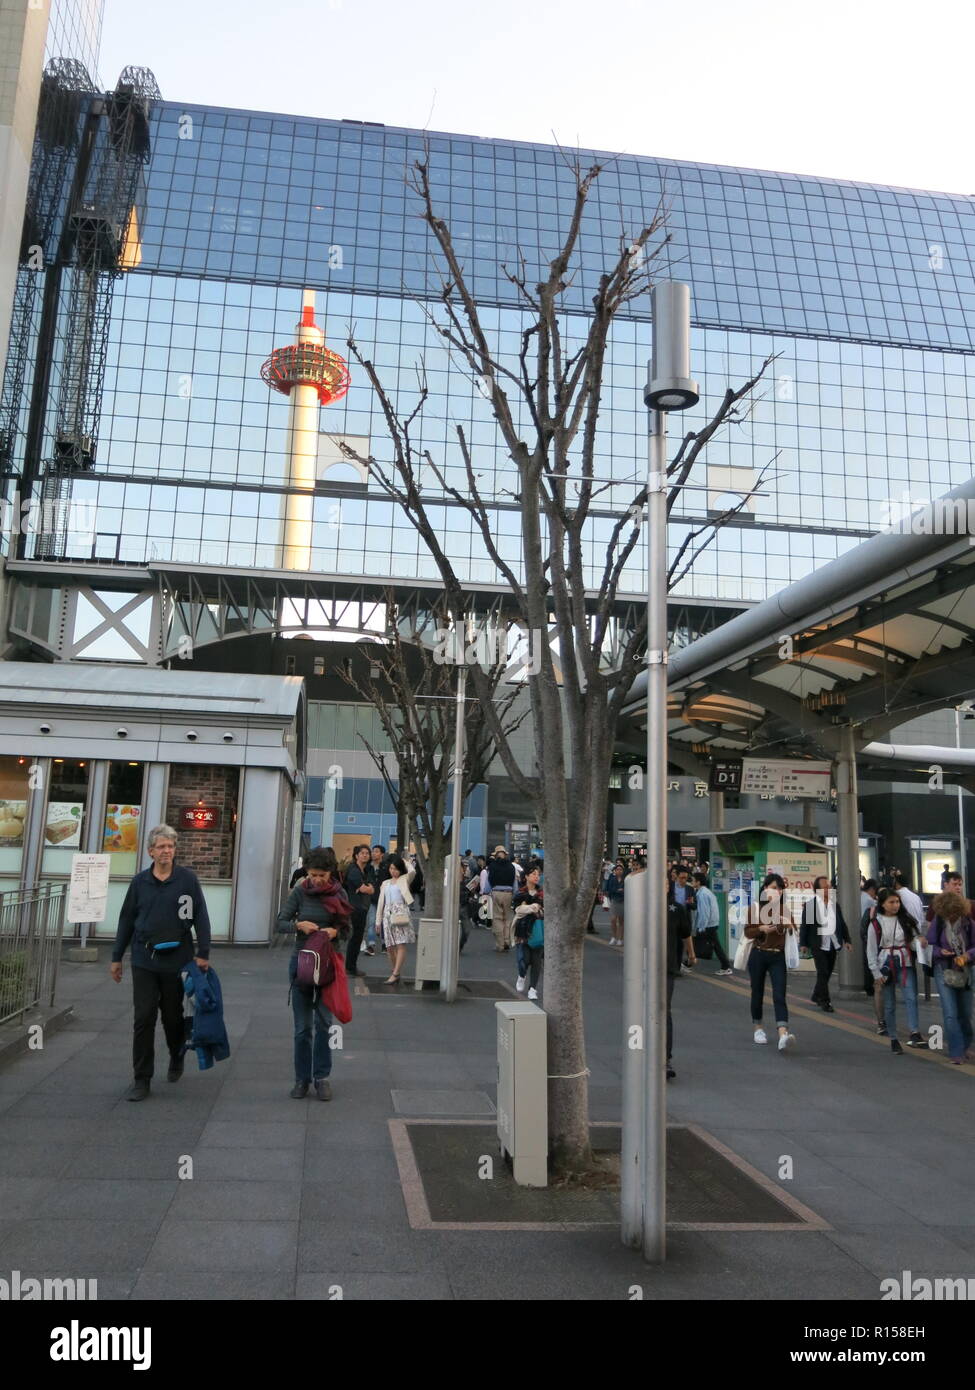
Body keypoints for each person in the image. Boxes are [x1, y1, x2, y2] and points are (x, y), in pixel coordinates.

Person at [110, 824, 212, 1102]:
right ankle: (141, 1079)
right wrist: (116, 957)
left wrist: (203, 951)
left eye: (171, 847)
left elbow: (200, 916)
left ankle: (176, 1053)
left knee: (172, 1016)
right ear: (150, 851)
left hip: (177, 959)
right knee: (143, 1018)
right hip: (144, 958)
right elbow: (126, 919)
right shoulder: (139, 883)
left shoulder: (186, 880)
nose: (167, 851)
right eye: (161, 847)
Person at [277, 846, 351, 1098]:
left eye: (322, 875)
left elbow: (347, 928)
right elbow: (280, 923)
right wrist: (298, 925)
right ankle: (301, 1079)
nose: (317, 880)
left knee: (323, 1023)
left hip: (328, 965)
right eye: (313, 874)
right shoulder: (300, 891)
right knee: (301, 1027)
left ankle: (321, 1077)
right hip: (301, 962)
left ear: (331, 872)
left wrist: (334, 932)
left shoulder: (339, 893)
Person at [866, 887, 926, 1055]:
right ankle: (893, 1038)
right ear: (883, 904)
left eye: (897, 902)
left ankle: (914, 1032)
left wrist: (919, 943)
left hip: (905, 961)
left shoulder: (906, 920)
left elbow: (912, 941)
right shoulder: (876, 923)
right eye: (891, 902)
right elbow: (871, 950)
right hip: (886, 962)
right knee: (890, 1003)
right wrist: (876, 973)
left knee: (910, 997)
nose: (895, 905)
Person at [744, 873, 796, 1052]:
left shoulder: (784, 909)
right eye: (774, 887)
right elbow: (747, 932)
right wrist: (761, 928)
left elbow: (793, 928)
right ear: (765, 889)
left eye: (780, 889)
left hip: (778, 956)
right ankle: (758, 1028)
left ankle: (783, 1033)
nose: (778, 891)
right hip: (758, 954)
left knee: (779, 994)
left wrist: (787, 924)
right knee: (757, 992)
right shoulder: (755, 908)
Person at [927, 890, 975, 1064]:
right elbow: (930, 945)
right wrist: (941, 951)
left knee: (965, 1013)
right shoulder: (938, 922)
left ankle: (965, 1044)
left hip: (966, 972)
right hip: (944, 969)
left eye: (955, 913)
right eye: (949, 913)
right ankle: (956, 1052)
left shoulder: (968, 923)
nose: (953, 916)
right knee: (950, 1013)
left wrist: (967, 955)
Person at [799, 876, 852, 1013]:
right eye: (825, 887)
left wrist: (847, 940)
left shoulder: (835, 905)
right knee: (822, 972)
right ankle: (825, 1001)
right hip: (818, 944)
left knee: (827, 973)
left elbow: (842, 924)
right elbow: (805, 925)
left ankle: (816, 995)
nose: (829, 889)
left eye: (829, 886)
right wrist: (803, 943)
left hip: (832, 943)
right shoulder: (811, 906)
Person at [376, 854, 416, 984]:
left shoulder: (404, 879)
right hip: (387, 914)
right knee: (389, 946)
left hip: (401, 913)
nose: (393, 871)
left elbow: (412, 871)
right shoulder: (385, 883)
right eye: (391, 868)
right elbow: (381, 903)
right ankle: (395, 971)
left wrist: (404, 860)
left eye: (396, 869)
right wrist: (378, 920)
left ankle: (396, 973)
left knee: (400, 944)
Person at [666, 889, 693, 1080]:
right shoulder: (641, 905)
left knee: (664, 1010)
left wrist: (691, 954)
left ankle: (665, 1059)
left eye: (666, 881)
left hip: (668, 966)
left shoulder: (676, 909)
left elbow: (686, 934)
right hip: (642, 968)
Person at [512, 865, 544, 999]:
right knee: (524, 960)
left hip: (538, 929)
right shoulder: (520, 892)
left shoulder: (541, 893)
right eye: (533, 874)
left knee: (537, 961)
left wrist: (528, 907)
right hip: (522, 930)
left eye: (538, 874)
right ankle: (522, 975)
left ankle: (532, 989)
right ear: (526, 877)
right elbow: (518, 910)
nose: (536, 876)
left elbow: (540, 908)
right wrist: (533, 908)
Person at [343, 843, 375, 977]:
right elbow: (364, 889)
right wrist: (365, 888)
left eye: (367, 853)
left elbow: (372, 889)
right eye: (362, 853)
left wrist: (366, 888)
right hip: (354, 907)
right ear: (356, 855)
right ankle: (350, 967)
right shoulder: (353, 870)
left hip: (362, 907)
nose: (365, 855)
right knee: (355, 938)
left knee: (358, 937)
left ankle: (351, 966)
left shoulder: (367, 870)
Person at [691, 870, 732, 974]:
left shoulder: (702, 894)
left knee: (699, 943)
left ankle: (726, 966)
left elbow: (704, 912)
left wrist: (701, 927)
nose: (692, 882)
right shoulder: (706, 892)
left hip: (708, 925)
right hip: (712, 923)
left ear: (698, 882)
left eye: (693, 880)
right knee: (714, 945)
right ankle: (725, 966)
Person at [486, 845, 517, 952]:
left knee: (498, 918)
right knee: (508, 918)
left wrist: (486, 892)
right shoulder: (511, 866)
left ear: (496, 855)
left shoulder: (492, 866)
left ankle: (500, 944)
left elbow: (488, 883)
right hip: (508, 893)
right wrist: (514, 893)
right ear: (505, 855)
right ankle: (507, 941)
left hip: (496, 892)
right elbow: (515, 883)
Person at [605, 861, 626, 946]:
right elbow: (611, 890)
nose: (619, 871)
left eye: (621, 869)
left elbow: (626, 890)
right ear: (615, 871)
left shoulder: (625, 879)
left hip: (623, 901)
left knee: (621, 921)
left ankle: (620, 939)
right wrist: (619, 890)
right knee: (613, 920)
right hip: (614, 900)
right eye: (617, 869)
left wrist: (619, 891)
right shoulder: (612, 879)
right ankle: (613, 937)